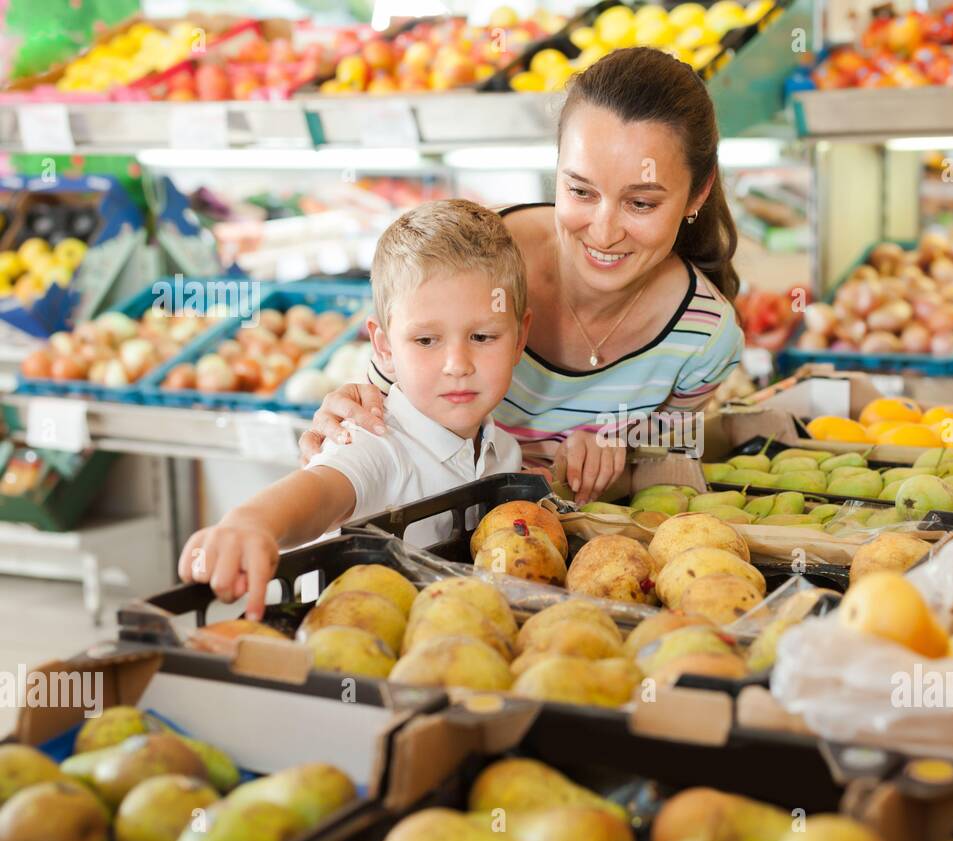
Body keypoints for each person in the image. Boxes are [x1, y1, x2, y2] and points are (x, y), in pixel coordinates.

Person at [298, 47, 744, 504]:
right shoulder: (470, 258)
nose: (605, 232)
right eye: (580, 190)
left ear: (698, 192)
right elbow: (386, 418)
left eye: (642, 203)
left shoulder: (704, 338)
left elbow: (663, 470)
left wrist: (619, 457)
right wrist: (350, 410)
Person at [178, 199, 530, 619]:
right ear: (383, 347)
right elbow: (322, 490)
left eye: (483, 337)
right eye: (425, 341)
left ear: (519, 338)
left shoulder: (504, 452)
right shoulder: (376, 440)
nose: (457, 364)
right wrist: (253, 522)